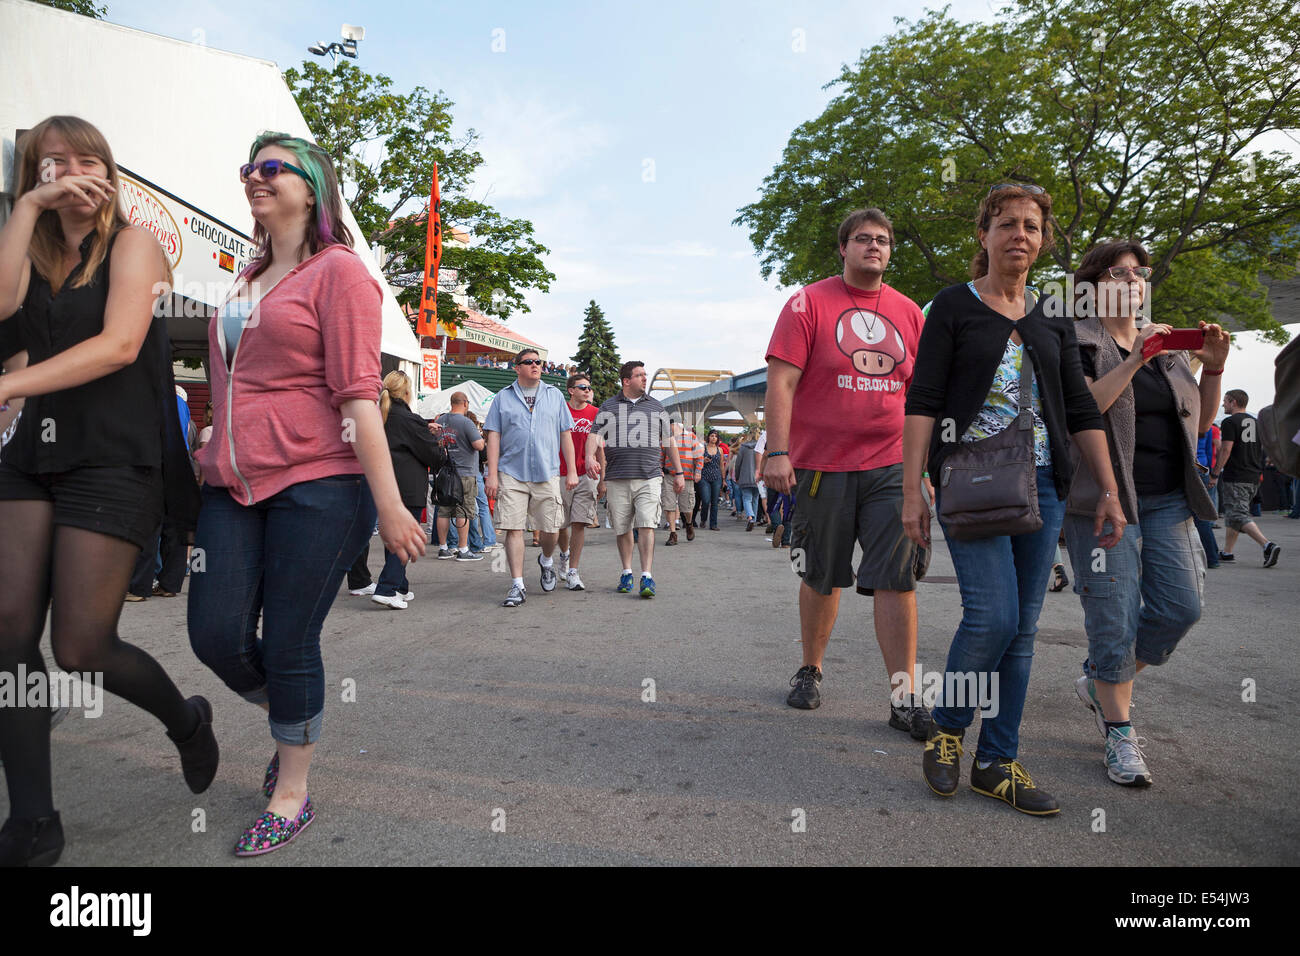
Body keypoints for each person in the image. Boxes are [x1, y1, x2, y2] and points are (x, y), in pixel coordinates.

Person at [189, 132, 425, 856]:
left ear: (312, 184)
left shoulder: (341, 273)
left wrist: (390, 508)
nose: (255, 179)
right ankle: (292, 713)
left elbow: (359, 397)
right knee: (215, 635)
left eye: (271, 168)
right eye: (247, 170)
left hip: (320, 481)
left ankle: (291, 790)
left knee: (291, 641)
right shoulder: (244, 279)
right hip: (232, 484)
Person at [0, 115, 213, 866]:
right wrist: (24, 210)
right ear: (36, 175)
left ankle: (186, 721)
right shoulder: (27, 248)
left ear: (110, 172)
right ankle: (32, 818)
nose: (75, 174)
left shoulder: (135, 244)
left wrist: (8, 384)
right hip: (27, 458)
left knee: (83, 647)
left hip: (113, 460)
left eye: (88, 160)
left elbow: (120, 344)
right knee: (6, 630)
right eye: (54, 164)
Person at [902, 184, 1125, 815]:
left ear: (1043, 238)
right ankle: (948, 730)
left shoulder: (1053, 315)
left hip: (1044, 487)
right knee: (993, 617)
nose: (1019, 235)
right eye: (1006, 224)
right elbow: (923, 399)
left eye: (1030, 226)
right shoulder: (952, 306)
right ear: (984, 234)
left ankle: (997, 761)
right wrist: (912, 487)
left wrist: (1107, 490)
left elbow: (1080, 407)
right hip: (969, 482)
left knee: (1023, 630)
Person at [1063, 240, 1229, 787]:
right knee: (1112, 619)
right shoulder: (1078, 338)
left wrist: (1214, 371)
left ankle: (1099, 681)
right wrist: (1136, 359)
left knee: (1181, 609)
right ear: (1092, 284)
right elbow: (1082, 409)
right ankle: (1120, 734)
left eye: (1141, 272)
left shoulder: (1171, 346)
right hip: (1103, 502)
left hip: (1168, 501)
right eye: (1121, 272)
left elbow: (1200, 426)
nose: (1135, 280)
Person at [764, 207, 931, 742]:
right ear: (843, 247)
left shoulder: (909, 312)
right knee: (821, 573)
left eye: (883, 240)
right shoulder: (807, 302)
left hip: (890, 465)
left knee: (897, 578)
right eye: (863, 239)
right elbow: (781, 383)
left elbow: (921, 396)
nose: (874, 247)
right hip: (820, 465)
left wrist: (921, 472)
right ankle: (810, 668)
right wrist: (778, 451)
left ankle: (903, 696)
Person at [483, 348, 578, 607]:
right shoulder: (503, 398)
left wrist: (571, 470)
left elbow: (565, 435)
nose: (536, 365)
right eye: (529, 362)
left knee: (551, 530)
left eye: (539, 362)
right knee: (513, 529)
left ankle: (546, 560)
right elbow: (493, 436)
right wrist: (492, 474)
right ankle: (517, 585)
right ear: (517, 367)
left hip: (547, 472)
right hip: (512, 473)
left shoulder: (554, 395)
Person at [586, 361, 682, 598]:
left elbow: (669, 442)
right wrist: (589, 457)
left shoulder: (657, 407)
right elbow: (594, 436)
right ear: (626, 381)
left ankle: (646, 576)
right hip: (617, 477)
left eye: (645, 374)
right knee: (622, 528)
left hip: (649, 476)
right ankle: (627, 571)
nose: (644, 378)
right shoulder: (608, 406)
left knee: (647, 524)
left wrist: (679, 473)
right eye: (639, 375)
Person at [372, 371, 449, 609]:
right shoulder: (409, 419)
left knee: (393, 538)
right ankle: (386, 587)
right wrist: (438, 445)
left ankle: (399, 585)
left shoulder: (380, 415)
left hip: (384, 483)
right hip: (408, 486)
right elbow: (433, 456)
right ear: (407, 392)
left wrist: (425, 426)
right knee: (403, 539)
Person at [1212, 390, 1279, 566]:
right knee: (1234, 514)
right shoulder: (1257, 422)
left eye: (1225, 401)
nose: (1223, 405)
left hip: (1236, 475)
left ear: (1233, 402)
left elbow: (1226, 450)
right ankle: (1227, 552)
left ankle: (1267, 545)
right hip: (1254, 476)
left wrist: (1215, 472)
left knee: (1238, 514)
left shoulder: (1229, 422)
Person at [556, 372, 603, 590]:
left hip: (587, 475)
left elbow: (601, 447)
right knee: (559, 524)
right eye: (582, 387)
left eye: (588, 387)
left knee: (579, 522)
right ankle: (564, 555)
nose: (587, 390)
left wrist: (603, 479)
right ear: (571, 390)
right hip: (561, 473)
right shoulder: (560, 410)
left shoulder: (596, 413)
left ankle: (574, 570)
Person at [433, 390, 486, 564]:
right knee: (463, 510)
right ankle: (463, 549)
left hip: (444, 473)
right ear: (465, 403)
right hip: (464, 473)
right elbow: (478, 445)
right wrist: (483, 440)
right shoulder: (466, 423)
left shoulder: (440, 421)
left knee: (443, 510)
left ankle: (443, 548)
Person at [662, 420, 703, 545]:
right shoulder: (666, 439)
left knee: (687, 506)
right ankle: (672, 533)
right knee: (668, 505)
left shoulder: (691, 437)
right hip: (669, 475)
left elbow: (699, 456)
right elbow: (661, 455)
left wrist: (698, 471)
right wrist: (660, 468)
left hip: (687, 477)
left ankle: (689, 523)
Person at [1194, 422, 1222, 567]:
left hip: (1191, 466)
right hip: (1203, 467)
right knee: (1202, 514)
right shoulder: (1208, 427)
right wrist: (1211, 473)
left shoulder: (1185, 422)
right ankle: (1213, 554)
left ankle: (1211, 557)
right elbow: (1210, 453)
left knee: (1199, 518)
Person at [698, 430, 725, 530]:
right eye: (712, 436)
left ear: (717, 439)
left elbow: (721, 465)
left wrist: (723, 479)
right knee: (705, 500)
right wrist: (703, 461)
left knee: (714, 502)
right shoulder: (702, 448)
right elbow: (697, 461)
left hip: (716, 477)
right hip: (704, 476)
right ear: (708, 437)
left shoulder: (720, 450)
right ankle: (703, 519)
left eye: (716, 436)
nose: (714, 438)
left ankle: (713, 524)